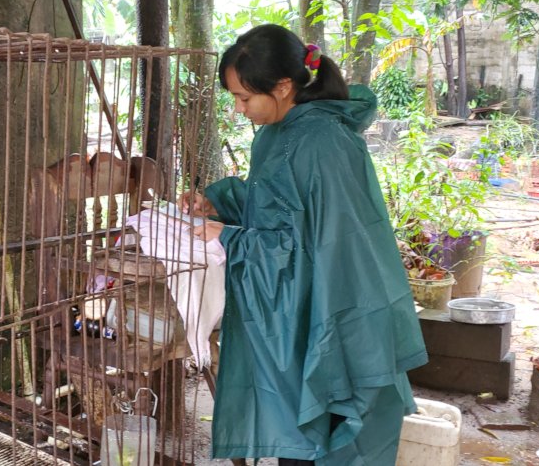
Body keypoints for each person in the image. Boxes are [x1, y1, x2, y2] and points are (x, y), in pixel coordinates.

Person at [179, 25, 428, 465]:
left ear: (283, 86)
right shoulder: (281, 131)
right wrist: (215, 202)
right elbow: (276, 202)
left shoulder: (322, 141)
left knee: (326, 434)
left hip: (339, 308)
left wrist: (233, 239)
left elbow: (311, 246)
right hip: (305, 308)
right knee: (300, 431)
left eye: (244, 98)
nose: (239, 110)